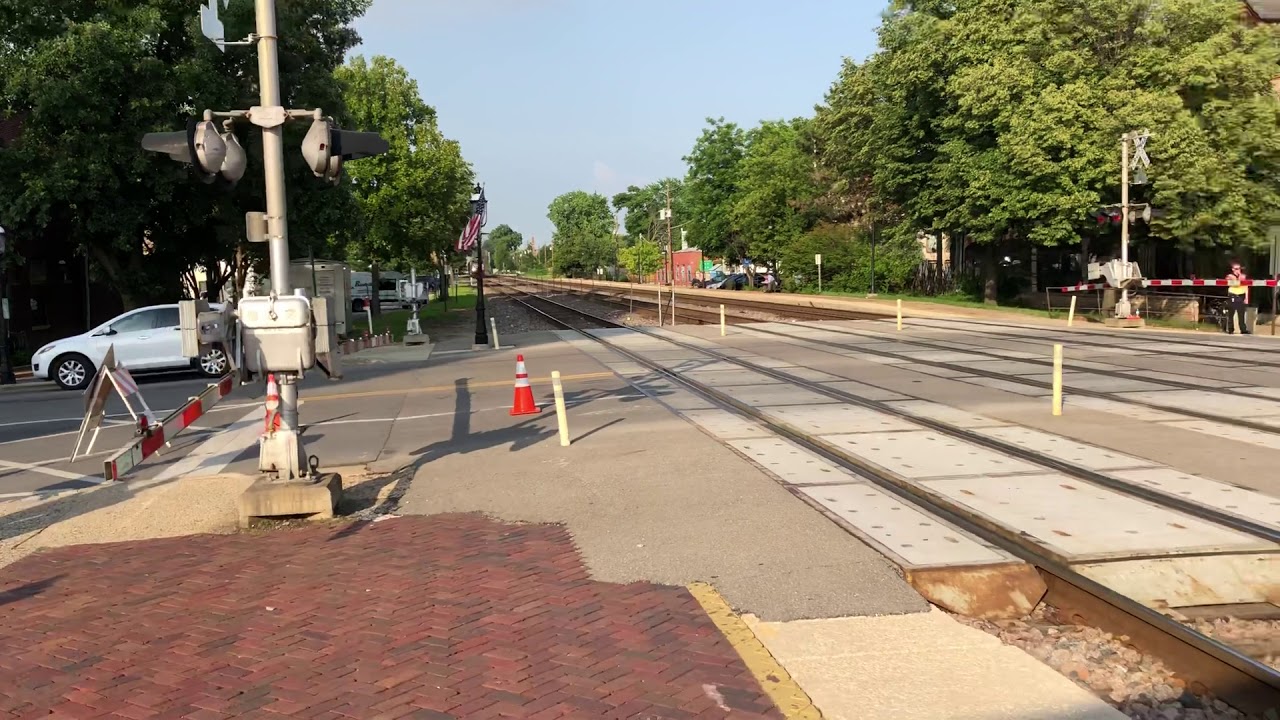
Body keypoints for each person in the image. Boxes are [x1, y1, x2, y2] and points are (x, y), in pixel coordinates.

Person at [1225, 261, 1251, 335]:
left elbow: (1246, 287)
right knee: (1231, 313)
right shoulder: (1229, 276)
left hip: (1241, 296)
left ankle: (1243, 329)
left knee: (1241, 314)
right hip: (1233, 295)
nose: (1238, 270)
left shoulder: (1243, 276)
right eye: (1236, 269)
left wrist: (1246, 298)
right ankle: (1230, 329)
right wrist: (1238, 277)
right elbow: (1234, 283)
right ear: (1232, 269)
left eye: (1239, 268)